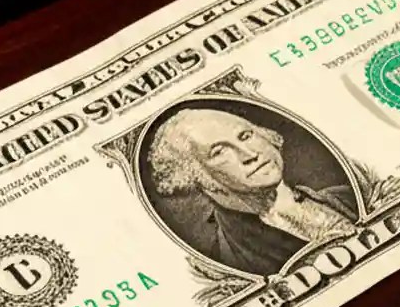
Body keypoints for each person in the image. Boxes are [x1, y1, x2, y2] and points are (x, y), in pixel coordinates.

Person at [147, 107, 358, 274]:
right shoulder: (233, 260)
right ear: (196, 175)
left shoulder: (346, 196)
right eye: (219, 151)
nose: (249, 154)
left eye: (245, 135)